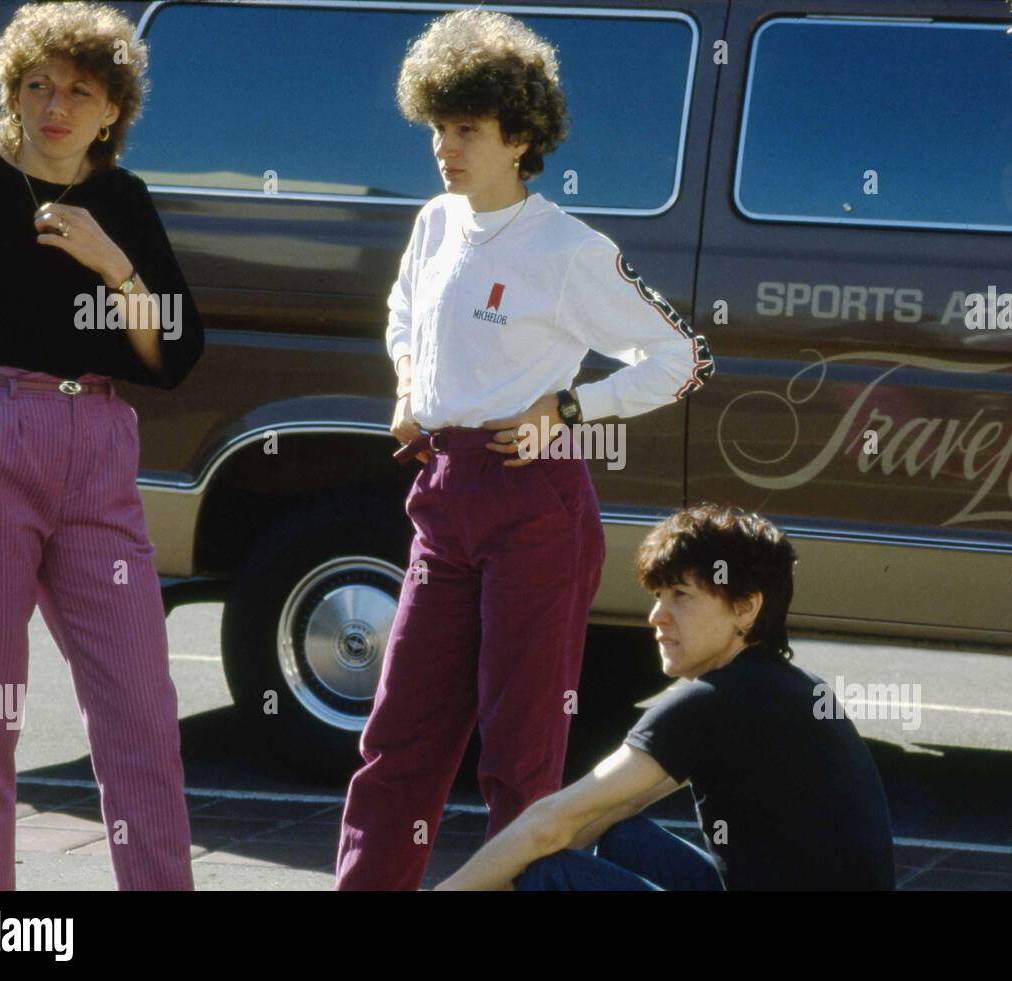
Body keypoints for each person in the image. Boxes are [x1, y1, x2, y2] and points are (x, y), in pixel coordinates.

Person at [334, 9, 714, 890]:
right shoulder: (432, 222)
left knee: (519, 757)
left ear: (521, 133)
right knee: (397, 740)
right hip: (441, 498)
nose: (445, 146)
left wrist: (575, 404)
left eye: (466, 128)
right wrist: (407, 389)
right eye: (437, 126)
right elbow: (402, 314)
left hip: (534, 504)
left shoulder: (568, 248)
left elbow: (681, 357)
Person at [0, 2, 204, 890]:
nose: (56, 106)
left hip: (97, 446)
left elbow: (173, 352)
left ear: (112, 109)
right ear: (12, 92)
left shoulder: (121, 201)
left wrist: (113, 265)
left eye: (80, 91)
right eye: (37, 85)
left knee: (141, 714)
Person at [435, 504, 896, 891]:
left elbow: (550, 822)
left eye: (681, 595)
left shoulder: (714, 700)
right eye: (657, 594)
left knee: (549, 874)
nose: (657, 616)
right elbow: (617, 804)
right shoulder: (787, 686)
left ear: (746, 607)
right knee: (619, 832)